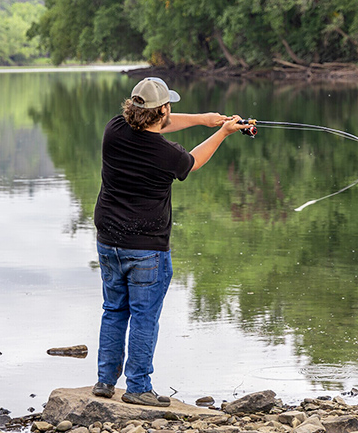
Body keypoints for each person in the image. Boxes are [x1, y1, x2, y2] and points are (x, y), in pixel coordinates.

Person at [92, 77, 245, 406]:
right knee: (145, 315)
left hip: (108, 242)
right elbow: (194, 161)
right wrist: (222, 132)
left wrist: (204, 119)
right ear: (162, 110)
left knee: (114, 310)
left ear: (133, 108)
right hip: (147, 248)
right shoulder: (167, 154)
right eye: (167, 107)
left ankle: (105, 382)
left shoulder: (114, 130)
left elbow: (160, 122)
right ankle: (137, 388)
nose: (170, 112)